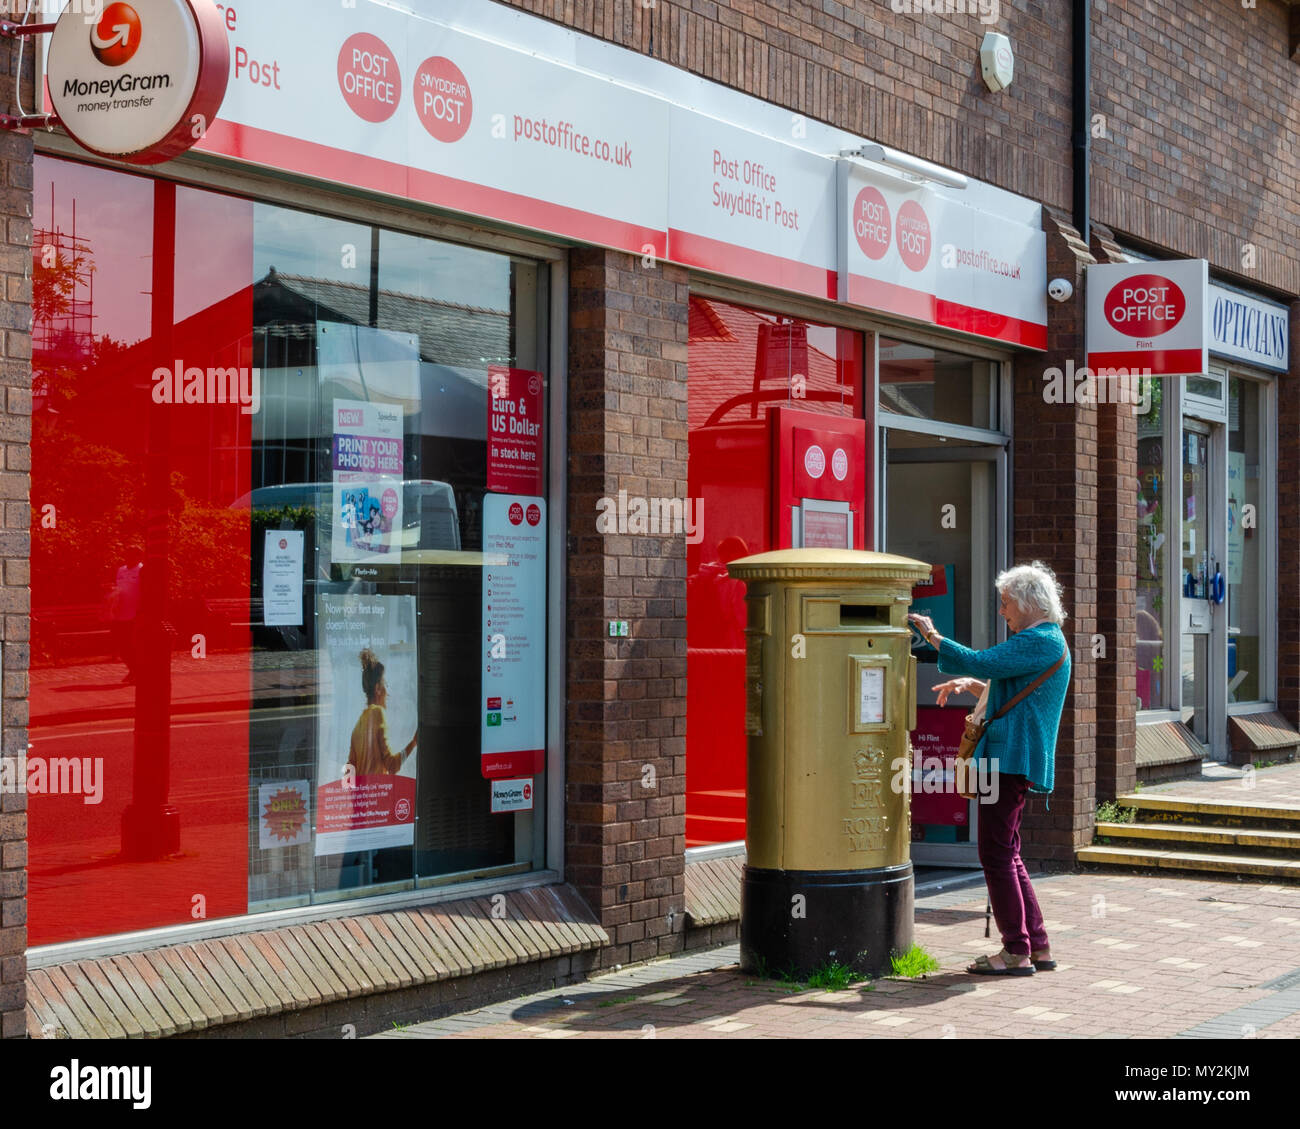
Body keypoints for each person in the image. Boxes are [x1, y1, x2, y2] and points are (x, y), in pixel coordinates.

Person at [908, 561, 1071, 977]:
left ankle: (1015, 951)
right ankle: (1037, 945)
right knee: (1008, 853)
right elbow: (1013, 691)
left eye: (1005, 603)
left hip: (1009, 758)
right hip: (1012, 757)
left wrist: (933, 636)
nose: (1003, 612)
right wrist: (971, 685)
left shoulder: (1041, 640)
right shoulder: (1046, 642)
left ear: (1029, 603)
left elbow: (984, 661)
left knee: (995, 854)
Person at [347, 648, 417, 776]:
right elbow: (392, 766)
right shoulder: (377, 713)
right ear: (378, 688)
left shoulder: (357, 726)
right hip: (378, 791)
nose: (387, 692)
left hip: (363, 794)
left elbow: (349, 771)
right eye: (386, 684)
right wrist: (413, 743)